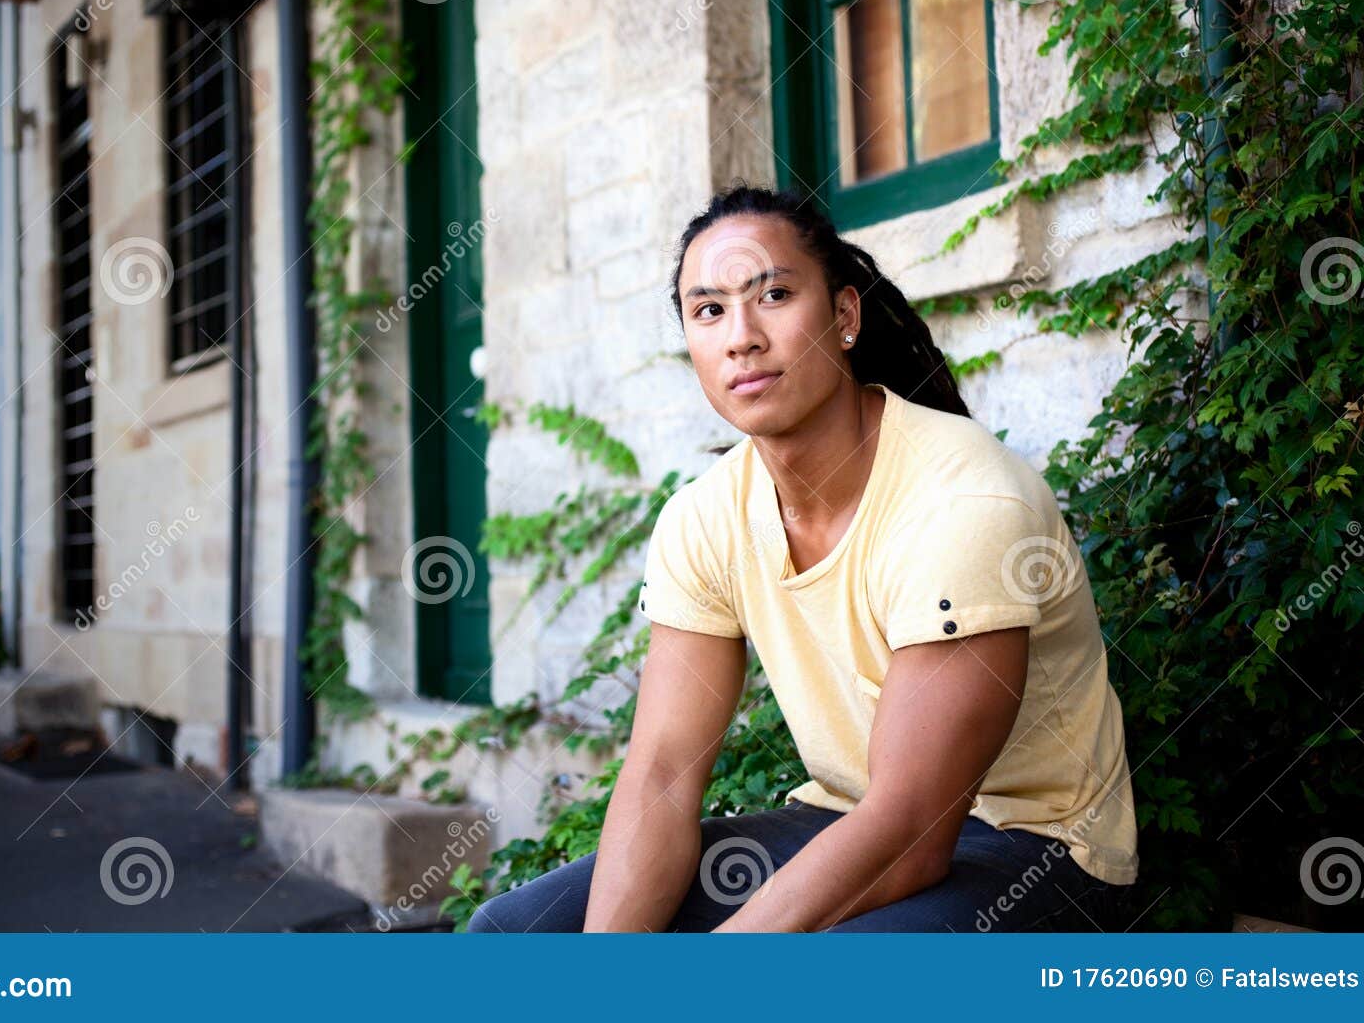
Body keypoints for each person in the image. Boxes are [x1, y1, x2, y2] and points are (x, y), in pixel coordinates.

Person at [468, 185, 1138, 933]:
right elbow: (661, 776)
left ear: (844, 316)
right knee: (513, 934)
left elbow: (913, 828)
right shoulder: (705, 517)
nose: (742, 337)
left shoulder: (962, 501)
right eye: (708, 310)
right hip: (844, 818)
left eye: (775, 295)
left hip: (1034, 850)